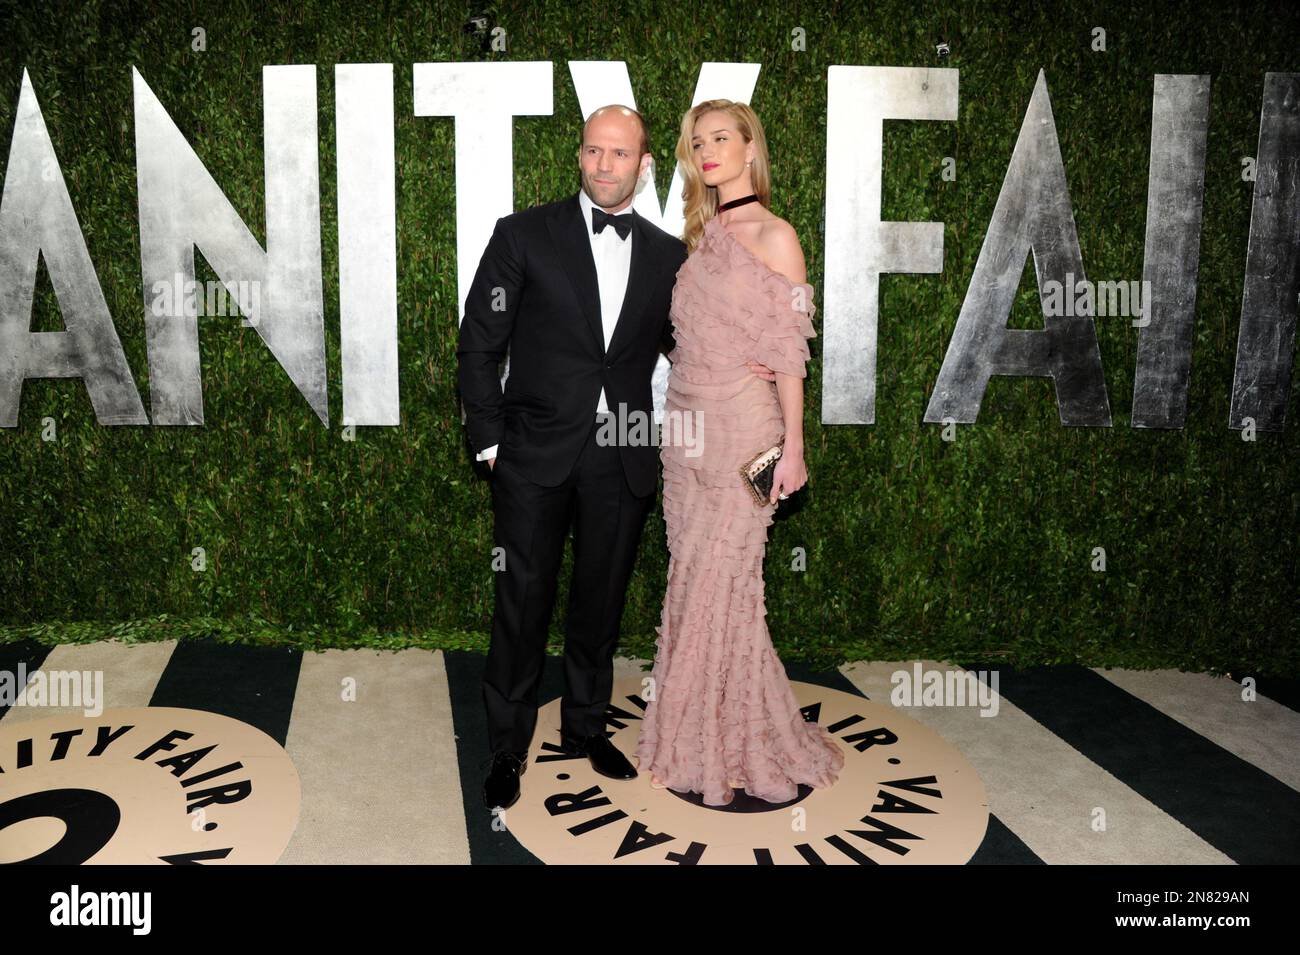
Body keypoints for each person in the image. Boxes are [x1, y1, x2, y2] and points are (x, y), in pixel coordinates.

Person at [456, 104, 773, 812]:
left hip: (622, 454)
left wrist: (749, 414)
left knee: (600, 601)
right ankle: (508, 745)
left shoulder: (669, 257)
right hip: (532, 454)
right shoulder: (524, 234)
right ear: (580, 156)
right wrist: (490, 440)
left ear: (645, 163)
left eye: (620, 154)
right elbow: (479, 341)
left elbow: (699, 350)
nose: (605, 165)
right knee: (522, 602)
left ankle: (585, 726)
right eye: (594, 151)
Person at [634, 99, 845, 807]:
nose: (710, 150)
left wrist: (794, 447)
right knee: (693, 585)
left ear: (751, 147)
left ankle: (730, 744)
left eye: (722, 137)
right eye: (699, 141)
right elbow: (695, 331)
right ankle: (702, 733)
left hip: (745, 433)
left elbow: (789, 348)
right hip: (685, 430)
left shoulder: (776, 235)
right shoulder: (703, 235)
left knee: (726, 584)